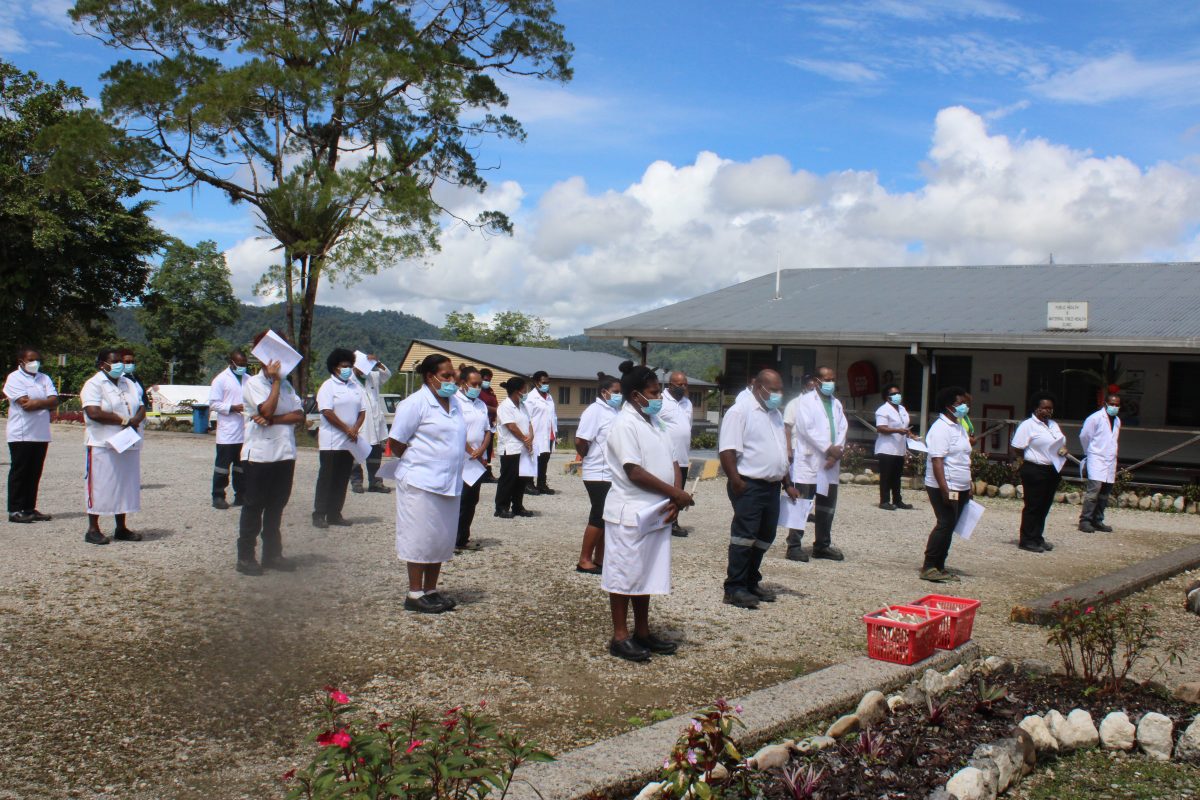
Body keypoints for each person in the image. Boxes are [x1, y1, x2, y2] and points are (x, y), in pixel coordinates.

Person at [602, 361, 693, 660]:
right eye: (653, 393)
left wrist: (675, 497)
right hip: (630, 510)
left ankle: (642, 631)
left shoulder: (656, 421)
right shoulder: (624, 424)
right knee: (624, 574)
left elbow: (674, 460)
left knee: (646, 575)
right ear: (635, 395)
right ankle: (620, 636)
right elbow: (634, 471)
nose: (658, 398)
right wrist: (675, 494)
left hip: (657, 509)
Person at [388, 353, 467, 614]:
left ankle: (431, 590)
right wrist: (420, 460)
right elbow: (397, 442)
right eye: (446, 376)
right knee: (419, 536)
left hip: (449, 482)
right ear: (429, 377)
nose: (451, 380)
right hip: (420, 481)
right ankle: (414, 593)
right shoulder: (415, 404)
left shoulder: (454, 403)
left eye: (452, 375)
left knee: (440, 538)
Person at [719, 369, 795, 609]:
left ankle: (751, 580)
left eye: (780, 389)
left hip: (772, 486)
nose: (778, 394)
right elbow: (727, 450)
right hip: (749, 484)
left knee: (764, 537)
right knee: (744, 537)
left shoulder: (775, 414)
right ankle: (735, 587)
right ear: (757, 387)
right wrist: (736, 481)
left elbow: (780, 452)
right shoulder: (740, 411)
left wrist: (788, 483)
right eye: (773, 390)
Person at [236, 340, 305, 575]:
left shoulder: (287, 386)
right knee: (254, 506)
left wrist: (274, 419)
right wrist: (275, 381)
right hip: (260, 455)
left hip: (284, 453)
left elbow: (298, 415)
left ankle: (272, 554)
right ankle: (245, 556)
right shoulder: (254, 384)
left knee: (277, 506)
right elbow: (264, 409)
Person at [81, 347, 146, 544]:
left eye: (122, 361)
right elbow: (94, 413)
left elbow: (142, 405)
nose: (121, 365)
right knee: (101, 485)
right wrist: (126, 421)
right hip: (103, 443)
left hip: (128, 442)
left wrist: (135, 419)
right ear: (103, 365)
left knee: (125, 484)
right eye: (115, 361)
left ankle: (121, 527)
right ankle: (93, 528)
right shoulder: (94, 384)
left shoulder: (129, 383)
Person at [786, 366, 848, 562]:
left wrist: (836, 452)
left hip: (830, 463)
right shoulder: (805, 401)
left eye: (833, 379)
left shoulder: (836, 403)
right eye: (826, 379)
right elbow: (806, 429)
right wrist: (829, 448)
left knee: (827, 506)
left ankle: (822, 545)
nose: (830, 383)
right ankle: (794, 546)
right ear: (817, 380)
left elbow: (843, 428)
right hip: (810, 460)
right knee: (802, 503)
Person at [920, 386, 973, 582]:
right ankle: (929, 565)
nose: (963, 407)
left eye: (964, 404)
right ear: (948, 406)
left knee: (951, 524)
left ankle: (940, 565)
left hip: (961, 484)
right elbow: (937, 460)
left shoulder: (959, 426)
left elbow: (964, 457)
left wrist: (969, 483)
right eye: (959, 404)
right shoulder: (940, 428)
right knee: (945, 522)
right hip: (944, 485)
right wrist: (944, 489)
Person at [312, 348, 365, 529]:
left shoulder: (355, 386)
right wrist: (346, 429)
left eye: (350, 366)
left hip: (349, 441)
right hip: (332, 440)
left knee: (342, 478)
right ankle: (319, 513)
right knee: (327, 477)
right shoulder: (328, 386)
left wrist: (355, 429)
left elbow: (362, 411)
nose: (348, 369)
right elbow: (327, 412)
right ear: (335, 367)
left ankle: (335, 513)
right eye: (344, 366)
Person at [575, 372, 622, 574]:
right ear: (604, 393)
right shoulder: (594, 411)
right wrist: (589, 457)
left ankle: (600, 559)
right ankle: (584, 560)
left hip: (611, 472)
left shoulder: (614, 411)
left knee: (607, 516)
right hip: (597, 472)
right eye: (616, 392)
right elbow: (580, 440)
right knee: (598, 515)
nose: (620, 395)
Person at [5, 347, 58, 523]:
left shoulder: (44, 378)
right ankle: (15, 509)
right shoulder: (14, 378)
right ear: (21, 362)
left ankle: (29, 507)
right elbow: (24, 403)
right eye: (31, 360)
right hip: (22, 432)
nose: (35, 363)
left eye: (37, 359)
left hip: (40, 433)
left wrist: (38, 402)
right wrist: (44, 403)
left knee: (35, 472)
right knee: (20, 471)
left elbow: (54, 400)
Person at [1012, 391, 1067, 553]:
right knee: (1033, 505)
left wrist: (1062, 449)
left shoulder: (1053, 425)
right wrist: (1030, 458)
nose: (1048, 411)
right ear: (1036, 408)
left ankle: (1037, 537)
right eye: (1044, 408)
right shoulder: (1028, 425)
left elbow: (1059, 442)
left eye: (1050, 408)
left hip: (1052, 468)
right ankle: (1027, 539)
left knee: (1044, 505)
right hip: (1035, 468)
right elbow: (1017, 447)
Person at [455, 364, 493, 552]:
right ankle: (452, 539)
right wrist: (471, 451)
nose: (477, 388)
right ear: (463, 383)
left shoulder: (481, 405)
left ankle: (463, 537)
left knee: (471, 500)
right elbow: (456, 431)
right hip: (461, 459)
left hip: (478, 460)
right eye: (474, 384)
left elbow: (487, 430)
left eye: (479, 384)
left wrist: (482, 450)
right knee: (458, 500)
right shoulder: (455, 402)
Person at [208, 350, 248, 509]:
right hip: (228, 431)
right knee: (223, 467)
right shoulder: (220, 380)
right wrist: (232, 407)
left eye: (245, 364)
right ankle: (218, 495)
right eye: (240, 364)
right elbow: (213, 403)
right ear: (232, 362)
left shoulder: (249, 379)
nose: (242, 367)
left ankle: (241, 495)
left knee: (242, 466)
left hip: (244, 430)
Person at [1078, 393, 1121, 533]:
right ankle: (1085, 520)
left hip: (1110, 460)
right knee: (1093, 491)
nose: (1114, 407)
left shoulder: (1117, 421)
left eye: (1117, 404)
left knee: (1105, 492)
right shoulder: (1095, 418)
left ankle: (1098, 520)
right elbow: (1084, 436)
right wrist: (1089, 452)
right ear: (1105, 404)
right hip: (1096, 458)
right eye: (1112, 404)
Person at [350, 354, 393, 494]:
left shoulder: (372, 376)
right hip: (359, 424)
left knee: (375, 456)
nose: (364, 370)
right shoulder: (349, 380)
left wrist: (377, 362)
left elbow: (387, 374)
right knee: (357, 455)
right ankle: (356, 482)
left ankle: (376, 482)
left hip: (375, 424)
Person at [659, 370, 694, 537]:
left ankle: (673, 521)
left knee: (679, 491)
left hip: (683, 457)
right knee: (666, 490)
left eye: (685, 384)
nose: (684, 387)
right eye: (680, 384)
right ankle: (662, 521)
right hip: (666, 457)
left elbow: (688, 426)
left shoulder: (688, 403)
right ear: (670, 385)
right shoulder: (661, 401)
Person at [494, 376, 534, 518]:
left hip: (523, 447)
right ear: (517, 391)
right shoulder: (505, 406)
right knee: (508, 478)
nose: (526, 392)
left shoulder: (523, 406)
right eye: (524, 389)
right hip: (510, 448)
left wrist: (530, 437)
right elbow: (511, 426)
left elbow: (529, 423)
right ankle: (501, 507)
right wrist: (525, 439)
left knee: (521, 479)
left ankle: (518, 505)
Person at [874, 383, 917, 510]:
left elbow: (904, 427)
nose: (897, 396)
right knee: (886, 476)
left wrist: (911, 435)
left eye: (898, 393)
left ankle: (898, 500)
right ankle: (884, 501)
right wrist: (897, 431)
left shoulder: (902, 409)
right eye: (893, 394)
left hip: (899, 448)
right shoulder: (882, 410)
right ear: (887, 397)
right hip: (886, 448)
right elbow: (880, 428)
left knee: (897, 476)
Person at [526, 370, 558, 495]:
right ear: (536, 382)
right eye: (543, 382)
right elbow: (527, 418)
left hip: (548, 434)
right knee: (533, 460)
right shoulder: (531, 398)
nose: (546, 385)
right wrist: (528, 436)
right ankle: (528, 484)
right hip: (536, 434)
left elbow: (553, 416)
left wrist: (555, 433)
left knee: (544, 460)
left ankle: (542, 484)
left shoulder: (549, 397)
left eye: (548, 382)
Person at [478, 368, 499, 481]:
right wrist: (495, 410)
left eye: (489, 380)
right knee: (481, 448)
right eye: (486, 379)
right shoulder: (477, 391)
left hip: (491, 425)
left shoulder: (490, 391)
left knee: (489, 449)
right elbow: (482, 406)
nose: (487, 382)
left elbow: (495, 403)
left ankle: (488, 473)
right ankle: (480, 473)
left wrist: (496, 410)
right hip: (481, 425)